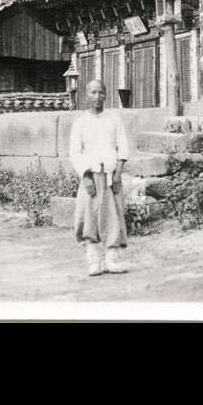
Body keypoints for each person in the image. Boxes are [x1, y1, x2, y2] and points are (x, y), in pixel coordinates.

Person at [69, 79, 130, 277]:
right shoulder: (80, 123)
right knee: (89, 216)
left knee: (113, 215)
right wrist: (85, 176)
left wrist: (119, 172)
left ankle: (112, 260)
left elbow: (122, 146)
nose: (97, 97)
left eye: (101, 92)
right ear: (87, 95)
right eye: (93, 92)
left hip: (112, 176)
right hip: (91, 176)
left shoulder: (114, 119)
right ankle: (94, 261)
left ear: (106, 95)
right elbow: (75, 152)